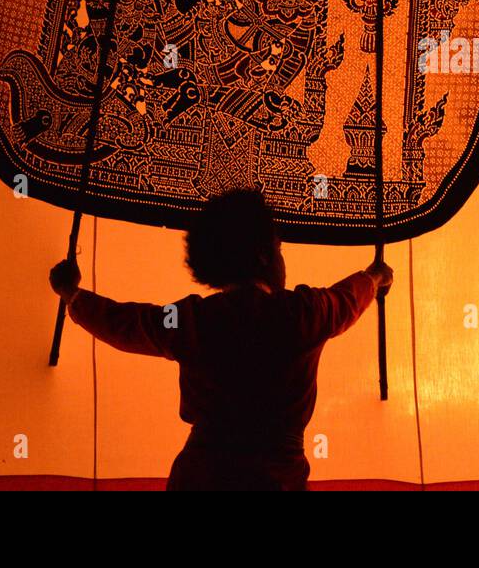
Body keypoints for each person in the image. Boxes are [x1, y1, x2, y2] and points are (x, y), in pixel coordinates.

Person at [47, 187, 392, 490]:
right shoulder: (304, 314)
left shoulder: (194, 320)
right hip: (276, 478)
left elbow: (125, 324)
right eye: (279, 249)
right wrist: (374, 275)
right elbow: (347, 299)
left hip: (200, 476)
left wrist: (72, 294)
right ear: (263, 256)